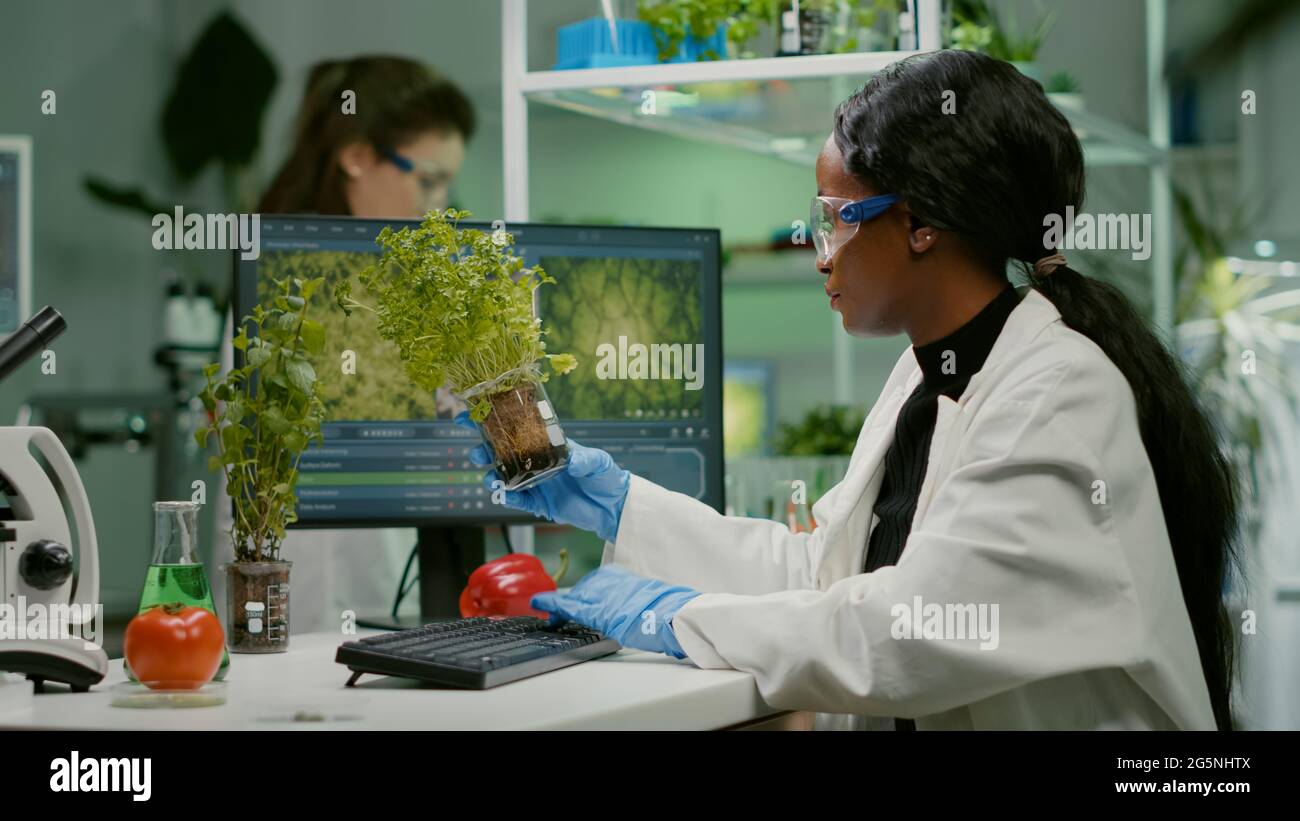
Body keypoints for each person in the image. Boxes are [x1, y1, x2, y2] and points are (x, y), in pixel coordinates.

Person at [459, 50, 1240, 731]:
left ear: (921, 223)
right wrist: (624, 504)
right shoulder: (925, 375)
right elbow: (826, 574)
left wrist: (673, 616)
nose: (819, 252)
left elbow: (906, 629)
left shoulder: (1059, 393)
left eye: (833, 218)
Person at [216, 56, 476, 634]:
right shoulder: (289, 269)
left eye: (446, 182)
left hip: (378, 571)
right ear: (357, 155)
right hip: (306, 578)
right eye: (427, 178)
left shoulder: (387, 266)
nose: (438, 202)